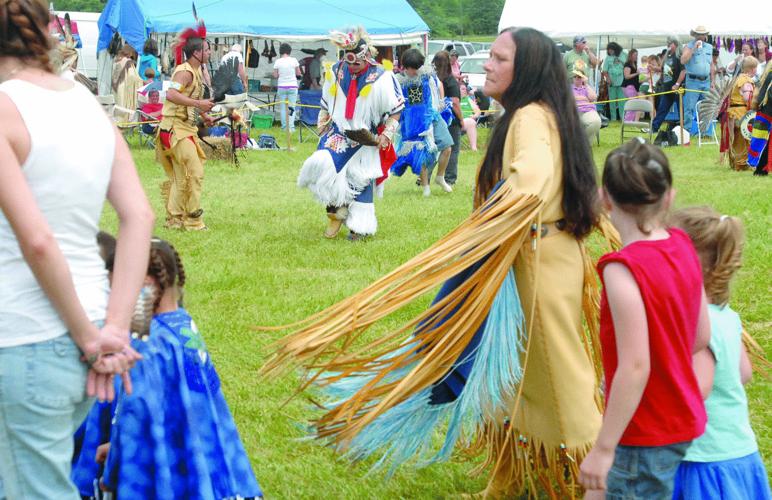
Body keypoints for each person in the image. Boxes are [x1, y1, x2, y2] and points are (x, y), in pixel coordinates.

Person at [262, 27, 612, 498]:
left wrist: (484, 229)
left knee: (554, 375)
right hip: (526, 257)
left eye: (498, 58)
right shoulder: (534, 113)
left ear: (525, 70)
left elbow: (531, 180)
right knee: (513, 372)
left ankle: (587, 476)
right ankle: (515, 481)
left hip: (535, 261)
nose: (486, 64)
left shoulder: (530, 117)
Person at [0, 1, 153, 497]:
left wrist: (92, 336)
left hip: (25, 337)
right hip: (84, 337)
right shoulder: (87, 104)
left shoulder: (5, 108)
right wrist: (111, 326)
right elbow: (139, 217)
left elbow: (38, 241)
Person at [72, 237, 264, 499]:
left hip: (157, 477)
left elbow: (135, 416)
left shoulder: (148, 348)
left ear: (145, 286)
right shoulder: (182, 325)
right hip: (192, 457)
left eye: (115, 289)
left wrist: (115, 460)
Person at [580, 139, 710, 499]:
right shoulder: (684, 246)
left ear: (605, 199)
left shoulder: (622, 270)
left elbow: (636, 367)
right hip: (677, 420)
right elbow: (700, 338)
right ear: (668, 196)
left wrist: (604, 448)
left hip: (642, 431)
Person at [669, 207, 771, 500]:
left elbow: (697, 390)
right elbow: (744, 373)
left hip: (703, 460)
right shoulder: (727, 316)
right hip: (740, 453)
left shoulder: (696, 324)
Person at [297, 26, 403, 241]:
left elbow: (396, 110)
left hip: (366, 136)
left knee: (361, 178)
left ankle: (359, 227)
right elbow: (326, 102)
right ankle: (336, 212)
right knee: (322, 163)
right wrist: (322, 120)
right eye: (349, 62)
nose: (352, 67)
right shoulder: (336, 70)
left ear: (367, 58)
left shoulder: (381, 77)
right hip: (337, 131)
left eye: (357, 63)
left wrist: (386, 135)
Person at [156, 22, 214, 231]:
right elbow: (171, 94)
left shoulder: (196, 71)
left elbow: (191, 97)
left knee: (183, 175)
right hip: (173, 130)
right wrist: (199, 105)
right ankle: (192, 219)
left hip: (184, 129)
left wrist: (205, 115)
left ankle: (174, 218)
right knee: (194, 172)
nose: (210, 52)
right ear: (197, 52)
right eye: (207, 49)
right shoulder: (185, 71)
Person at [389, 48, 451, 196]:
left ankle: (440, 177)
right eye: (411, 69)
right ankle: (426, 188)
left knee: (447, 146)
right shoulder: (399, 81)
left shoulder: (427, 76)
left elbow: (438, 86)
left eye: (417, 68)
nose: (414, 71)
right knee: (421, 153)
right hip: (412, 122)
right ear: (405, 66)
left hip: (432, 116)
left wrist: (441, 104)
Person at [432, 50, 462, 189]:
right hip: (450, 120)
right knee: (452, 148)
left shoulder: (432, 79)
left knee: (433, 148)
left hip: (434, 118)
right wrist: (461, 119)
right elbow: (455, 102)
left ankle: (423, 178)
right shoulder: (450, 80)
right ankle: (449, 177)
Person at [724, 57, 758, 171]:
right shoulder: (746, 81)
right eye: (755, 68)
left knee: (736, 138)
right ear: (752, 69)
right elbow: (748, 98)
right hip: (741, 113)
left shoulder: (738, 78)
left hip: (732, 113)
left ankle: (736, 162)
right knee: (743, 138)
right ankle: (742, 163)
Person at [681, 26, 714, 134]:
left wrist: (713, 81)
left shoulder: (709, 47)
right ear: (694, 35)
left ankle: (706, 133)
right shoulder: (688, 46)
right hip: (693, 81)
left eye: (703, 34)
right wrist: (693, 48)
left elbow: (711, 65)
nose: (701, 36)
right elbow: (683, 60)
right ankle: (687, 132)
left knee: (707, 107)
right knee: (689, 108)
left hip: (706, 81)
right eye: (698, 34)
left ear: (705, 35)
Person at [653, 36, 685, 133]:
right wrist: (653, 68)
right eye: (667, 42)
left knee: (681, 111)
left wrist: (677, 84)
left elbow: (684, 71)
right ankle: (654, 128)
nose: (668, 45)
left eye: (670, 43)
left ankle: (683, 130)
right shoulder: (667, 56)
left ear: (675, 44)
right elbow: (662, 70)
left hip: (677, 89)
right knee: (662, 110)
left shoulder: (679, 56)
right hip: (667, 88)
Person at [748, 64, 772, 175]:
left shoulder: (768, 73)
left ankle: (760, 168)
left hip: (764, 111)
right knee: (763, 143)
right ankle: (761, 169)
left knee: (761, 142)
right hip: (767, 112)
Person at [272, 43, 301, 133]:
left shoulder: (278, 61)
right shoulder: (294, 60)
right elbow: (298, 73)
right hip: (292, 86)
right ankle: (291, 128)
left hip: (282, 86)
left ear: (280, 51)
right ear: (289, 51)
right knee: (291, 107)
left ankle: (284, 127)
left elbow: (275, 75)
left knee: (283, 108)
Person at [112, 44, 144, 120]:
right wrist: (142, 81)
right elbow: (133, 76)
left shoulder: (116, 60)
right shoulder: (128, 62)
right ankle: (125, 124)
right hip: (126, 87)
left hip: (117, 86)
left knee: (119, 105)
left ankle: (118, 122)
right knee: (126, 107)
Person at [572, 63, 602, 139]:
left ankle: (582, 141)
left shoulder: (586, 87)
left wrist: (586, 84)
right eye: (574, 76)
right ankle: (581, 143)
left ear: (583, 78)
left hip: (588, 110)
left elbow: (593, 98)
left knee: (596, 122)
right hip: (574, 111)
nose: (576, 78)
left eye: (579, 77)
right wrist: (584, 98)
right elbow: (568, 98)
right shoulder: (569, 87)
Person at [602, 41, 626, 121]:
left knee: (622, 101)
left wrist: (620, 60)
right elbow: (604, 71)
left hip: (621, 82)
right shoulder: (607, 58)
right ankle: (613, 119)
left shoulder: (623, 54)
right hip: (611, 82)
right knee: (612, 101)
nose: (610, 52)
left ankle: (623, 118)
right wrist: (608, 79)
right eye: (608, 50)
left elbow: (627, 66)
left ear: (616, 49)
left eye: (611, 50)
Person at [459, 83, 481, 151]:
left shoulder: (468, 99)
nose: (465, 90)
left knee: (471, 122)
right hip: (456, 121)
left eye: (465, 89)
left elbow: (478, 111)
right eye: (463, 89)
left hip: (466, 121)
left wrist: (474, 116)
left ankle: (474, 148)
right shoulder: (451, 99)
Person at [622, 48, 642, 121]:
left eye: (637, 55)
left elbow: (635, 78)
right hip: (629, 86)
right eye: (635, 55)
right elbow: (626, 76)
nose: (636, 56)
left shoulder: (635, 64)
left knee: (634, 104)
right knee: (632, 104)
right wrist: (637, 73)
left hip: (634, 87)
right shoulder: (627, 64)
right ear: (631, 55)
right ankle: (627, 121)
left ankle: (630, 120)